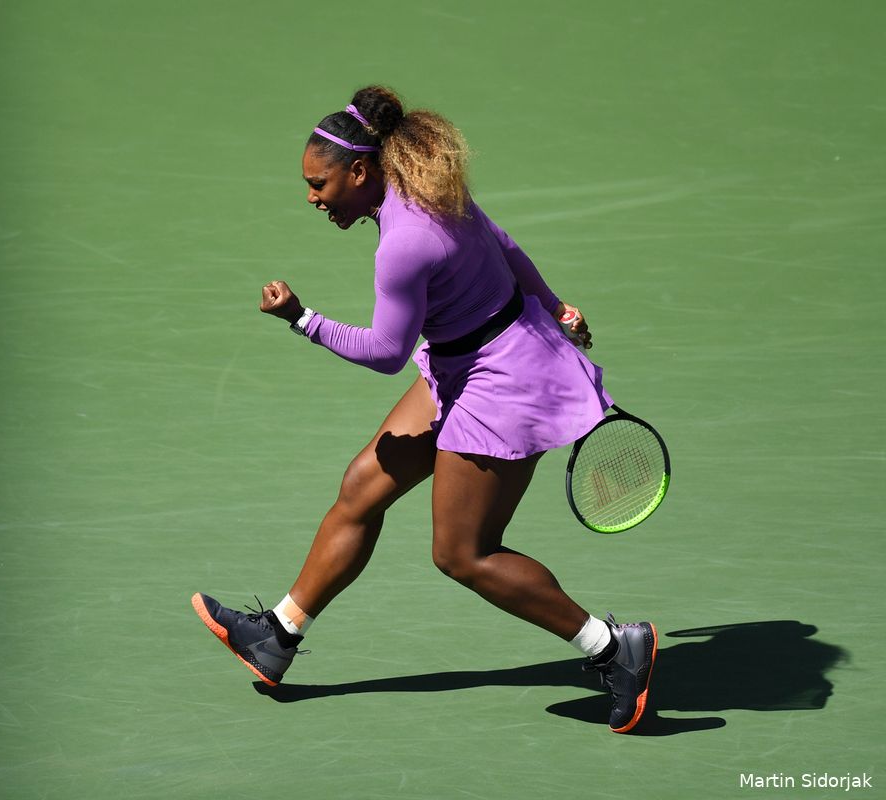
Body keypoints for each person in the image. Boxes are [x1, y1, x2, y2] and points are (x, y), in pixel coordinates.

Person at [190, 86, 656, 733]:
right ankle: (278, 634)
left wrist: (303, 318)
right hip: (464, 358)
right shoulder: (430, 189)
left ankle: (612, 647)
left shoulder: (404, 242)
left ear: (358, 172)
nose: (312, 197)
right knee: (363, 487)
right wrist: (551, 302)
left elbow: (385, 351)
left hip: (505, 381)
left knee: (464, 554)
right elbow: (504, 240)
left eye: (319, 183)